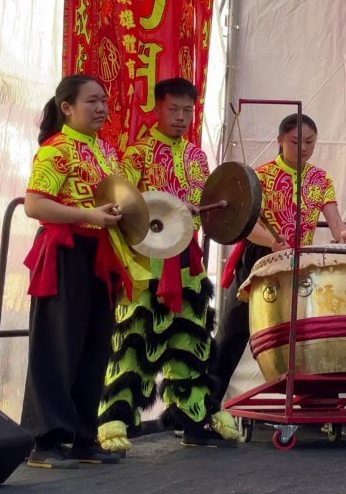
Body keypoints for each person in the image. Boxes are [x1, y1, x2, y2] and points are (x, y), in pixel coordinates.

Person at [95, 78, 239, 451]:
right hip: (147, 261)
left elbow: (205, 205)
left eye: (187, 111)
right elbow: (123, 206)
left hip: (187, 259)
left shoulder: (197, 157)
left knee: (190, 340)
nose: (180, 117)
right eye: (173, 109)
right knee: (135, 339)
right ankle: (115, 422)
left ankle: (193, 419)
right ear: (157, 109)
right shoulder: (137, 154)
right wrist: (169, 205)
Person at [210, 113, 346, 401]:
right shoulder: (260, 177)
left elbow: (335, 221)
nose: (304, 148)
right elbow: (248, 224)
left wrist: (343, 234)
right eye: (296, 141)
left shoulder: (320, 179)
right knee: (233, 331)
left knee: (309, 333)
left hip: (300, 261)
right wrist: (271, 241)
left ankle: (320, 404)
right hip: (260, 257)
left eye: (310, 142)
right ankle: (205, 405)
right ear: (279, 140)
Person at [21, 74, 127, 469]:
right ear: (67, 108)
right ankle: (45, 440)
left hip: (100, 253)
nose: (101, 108)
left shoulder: (106, 151)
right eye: (92, 101)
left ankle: (84, 436)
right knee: (57, 345)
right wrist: (89, 215)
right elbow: (34, 204)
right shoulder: (56, 150)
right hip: (66, 252)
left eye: (104, 101)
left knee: (94, 346)